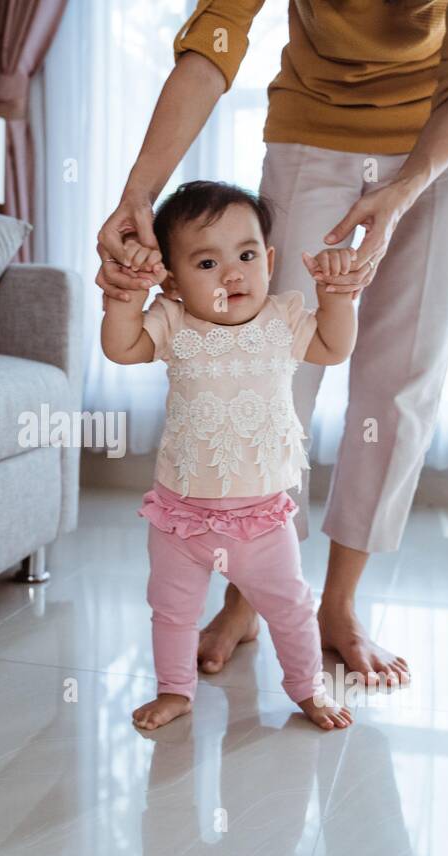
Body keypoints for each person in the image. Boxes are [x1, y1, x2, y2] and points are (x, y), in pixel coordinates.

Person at [96, 0, 448, 688]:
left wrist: (403, 192)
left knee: (401, 382)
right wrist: (139, 191)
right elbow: (213, 42)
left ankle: (340, 604)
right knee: (270, 364)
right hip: (313, 128)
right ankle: (247, 597)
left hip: (442, 146)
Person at [103, 180, 359, 730]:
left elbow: (335, 348)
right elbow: (121, 349)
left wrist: (337, 298)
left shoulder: (283, 319)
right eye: (206, 262)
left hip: (262, 518)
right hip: (181, 519)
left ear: (268, 259)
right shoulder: (172, 322)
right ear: (171, 278)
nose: (232, 274)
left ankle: (308, 689)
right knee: (172, 611)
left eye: (246, 256)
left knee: (291, 608)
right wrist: (121, 300)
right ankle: (175, 690)